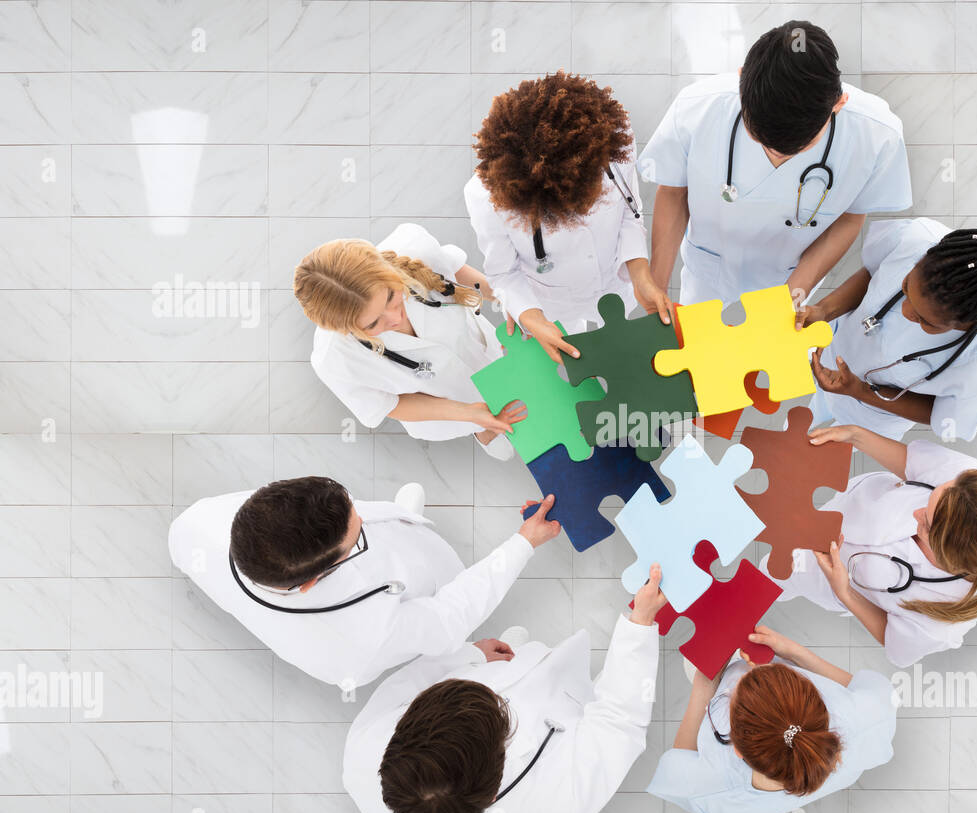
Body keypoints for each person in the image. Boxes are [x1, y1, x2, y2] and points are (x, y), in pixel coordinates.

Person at [342, 566, 670, 813]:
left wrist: (469, 656)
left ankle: (518, 654)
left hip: (495, 667)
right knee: (596, 691)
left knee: (518, 657)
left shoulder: (363, 752)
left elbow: (412, 680)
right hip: (567, 701)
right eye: (503, 718)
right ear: (497, 775)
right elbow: (618, 720)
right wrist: (640, 625)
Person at [168, 477, 561, 688]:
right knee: (439, 591)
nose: (362, 521)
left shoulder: (200, 521)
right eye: (357, 537)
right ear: (310, 584)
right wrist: (523, 543)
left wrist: (377, 522)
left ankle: (402, 521)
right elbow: (447, 617)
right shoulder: (360, 639)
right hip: (396, 618)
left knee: (395, 533)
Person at [638, 20, 911, 307]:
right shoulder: (695, 108)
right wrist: (656, 284)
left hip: (792, 279)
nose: (776, 155)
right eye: (759, 138)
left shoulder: (879, 135)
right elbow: (673, 191)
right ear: (741, 82)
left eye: (799, 147)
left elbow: (850, 217)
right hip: (708, 271)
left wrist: (789, 298)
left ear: (839, 104)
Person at [773, 426, 977, 667]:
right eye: (936, 492)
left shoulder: (943, 622)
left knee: (772, 578)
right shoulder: (974, 485)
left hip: (817, 574)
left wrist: (844, 592)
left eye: (927, 524)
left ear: (952, 559)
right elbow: (912, 463)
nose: (917, 513)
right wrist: (855, 435)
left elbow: (895, 646)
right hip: (856, 503)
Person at [804, 206, 977, 442]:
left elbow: (940, 415)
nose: (906, 312)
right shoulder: (916, 239)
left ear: (969, 319)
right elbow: (875, 271)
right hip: (830, 347)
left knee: (808, 449)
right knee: (796, 416)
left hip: (868, 415)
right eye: (905, 287)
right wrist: (823, 310)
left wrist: (859, 391)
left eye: (925, 321)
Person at [464, 72, 670, 364]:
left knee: (618, 364)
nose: (586, 213)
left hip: (613, 286)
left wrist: (641, 276)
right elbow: (504, 274)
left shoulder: (612, 140)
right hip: (552, 305)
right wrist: (531, 317)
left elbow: (628, 211)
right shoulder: (487, 196)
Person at [296, 222, 523, 460]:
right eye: (373, 324)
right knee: (503, 448)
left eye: (392, 296)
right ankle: (481, 429)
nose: (395, 318)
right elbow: (389, 404)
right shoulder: (335, 358)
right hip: (446, 401)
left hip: (478, 348)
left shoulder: (414, 248)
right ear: (345, 330)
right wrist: (469, 414)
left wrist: (512, 303)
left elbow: (456, 272)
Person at [648, 627, 896, 813]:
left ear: (737, 750)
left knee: (691, 665)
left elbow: (680, 756)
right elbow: (860, 687)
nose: (748, 670)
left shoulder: (708, 791)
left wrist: (704, 685)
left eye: (730, 698)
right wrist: (794, 652)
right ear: (817, 696)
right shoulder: (868, 720)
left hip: (711, 679)